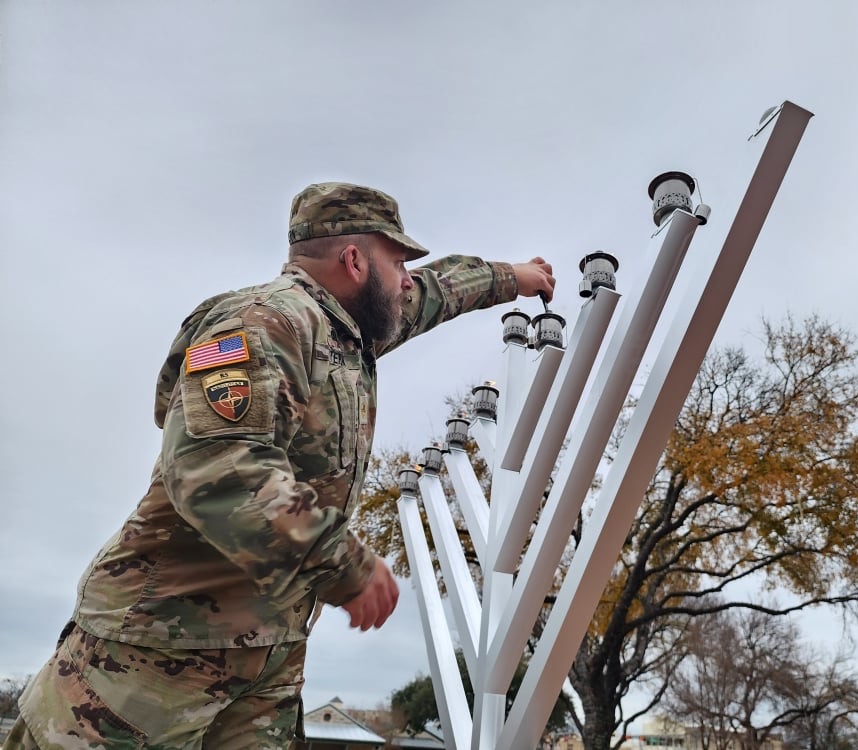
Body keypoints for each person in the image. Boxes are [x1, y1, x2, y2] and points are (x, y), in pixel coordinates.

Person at [5, 182, 556, 749]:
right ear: (354, 261)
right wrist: (345, 565)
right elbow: (218, 467)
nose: (407, 281)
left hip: (268, 654)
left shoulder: (348, 335)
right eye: (398, 265)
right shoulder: (266, 322)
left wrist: (515, 277)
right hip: (155, 654)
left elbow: (435, 293)